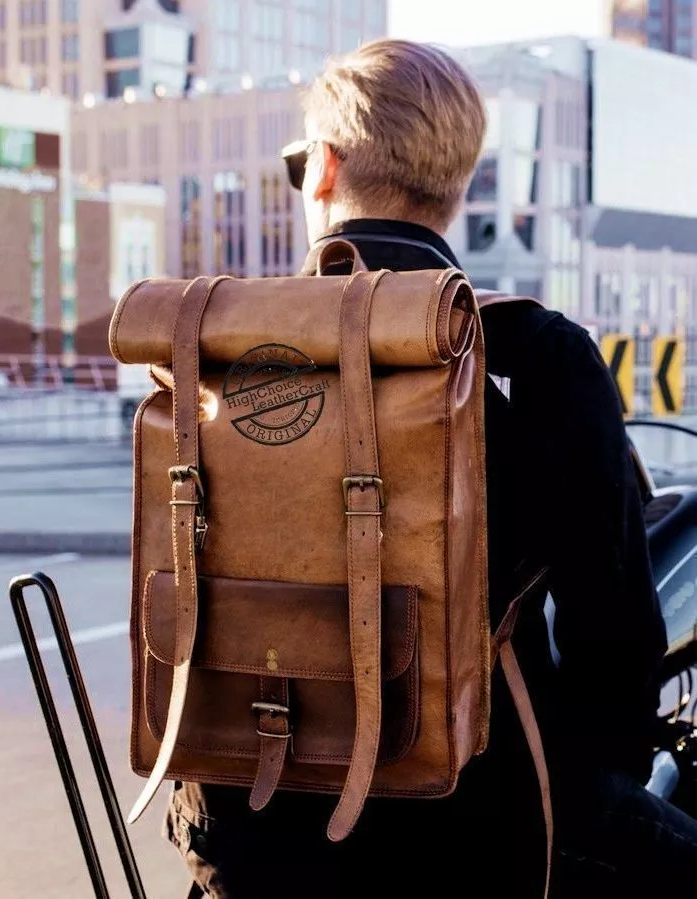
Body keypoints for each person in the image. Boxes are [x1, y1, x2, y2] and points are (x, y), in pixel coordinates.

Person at [164, 39, 697, 897]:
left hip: (246, 828)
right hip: (477, 832)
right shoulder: (535, 354)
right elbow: (613, 636)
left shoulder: (217, 350)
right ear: (457, 185)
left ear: (325, 166)